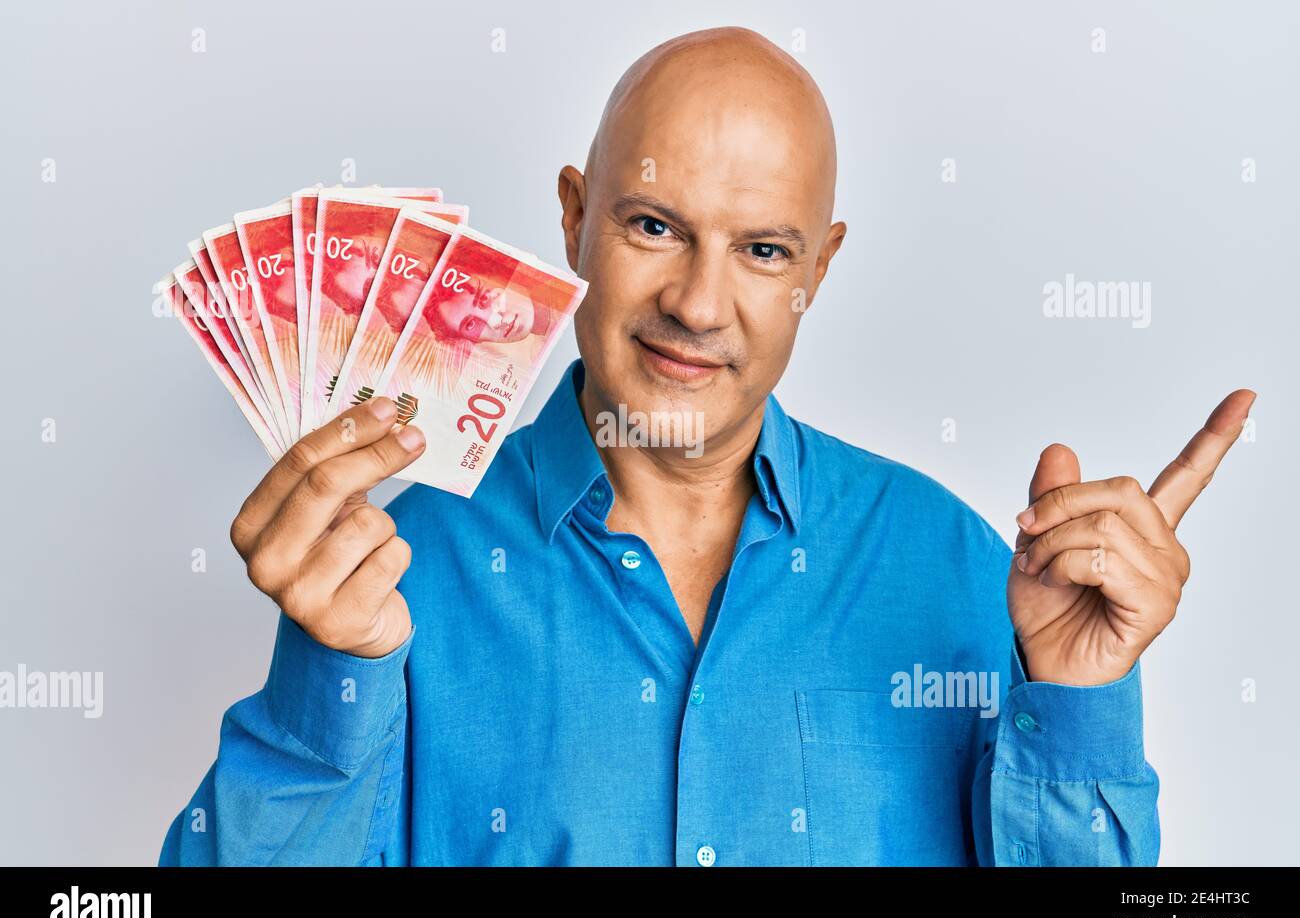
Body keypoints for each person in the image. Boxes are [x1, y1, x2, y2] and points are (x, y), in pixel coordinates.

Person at [160, 26, 1253, 866]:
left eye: (763, 248)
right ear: (572, 216)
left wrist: (1074, 704)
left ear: (816, 271)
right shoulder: (398, 574)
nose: (696, 302)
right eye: (651, 224)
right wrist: (327, 684)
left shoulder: (959, 567)